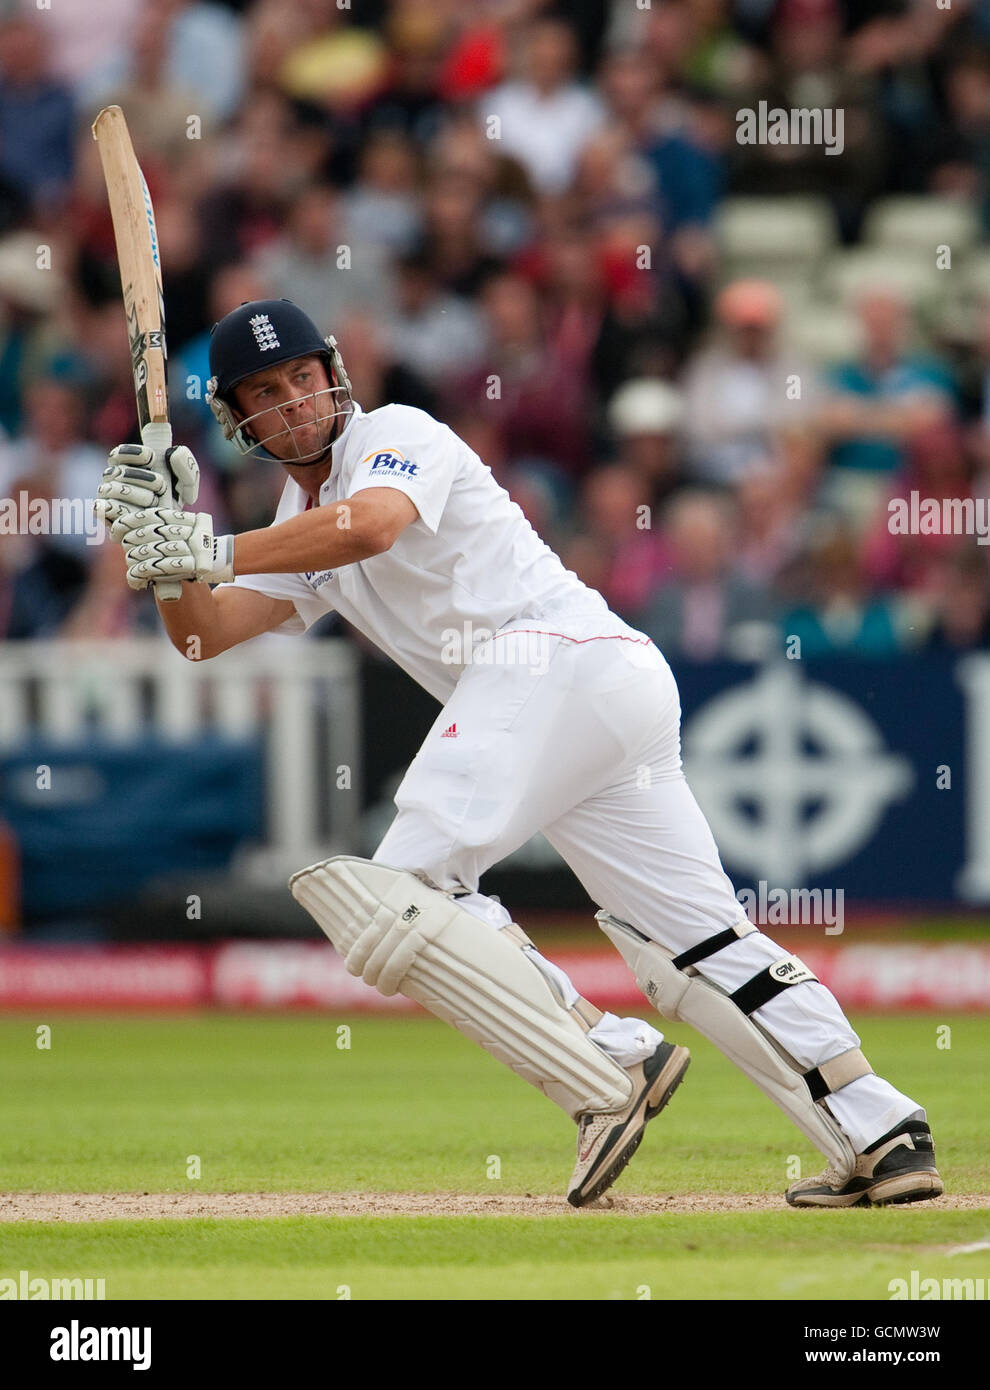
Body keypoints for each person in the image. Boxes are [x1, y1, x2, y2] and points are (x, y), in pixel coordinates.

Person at [95, 298, 943, 1209]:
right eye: (268, 391)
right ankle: (879, 1130)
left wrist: (211, 545)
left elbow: (371, 526)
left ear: (334, 371)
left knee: (403, 891)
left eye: (303, 375)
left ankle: (606, 1066)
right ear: (239, 421)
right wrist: (164, 553)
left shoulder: (396, 433)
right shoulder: (297, 520)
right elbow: (201, 637)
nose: (296, 401)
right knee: (690, 945)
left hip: (555, 660)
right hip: (589, 694)